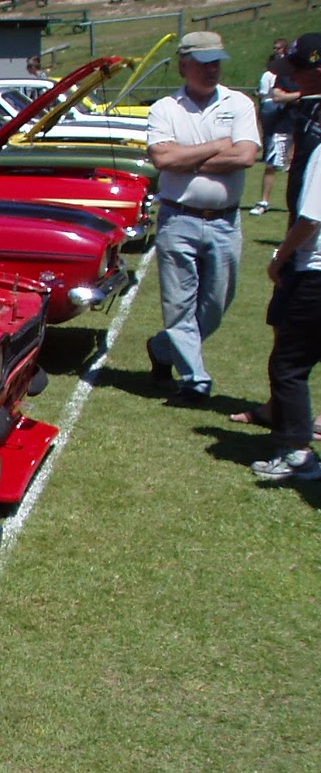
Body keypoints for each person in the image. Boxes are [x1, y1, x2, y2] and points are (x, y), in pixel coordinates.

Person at [143, 31, 260, 406]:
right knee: (179, 304)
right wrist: (218, 146)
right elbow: (163, 159)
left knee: (215, 306)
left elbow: (245, 156)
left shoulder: (238, 104)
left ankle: (162, 349)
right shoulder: (165, 108)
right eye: (204, 63)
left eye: (216, 63)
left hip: (225, 221)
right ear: (183, 65)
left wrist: (187, 158)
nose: (212, 69)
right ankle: (196, 381)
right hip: (179, 218)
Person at [250, 32, 321, 481]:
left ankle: (297, 452)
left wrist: (280, 256)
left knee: (289, 364)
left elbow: (310, 218)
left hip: (313, 268)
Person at [252, 39, 299, 216]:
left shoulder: (313, 74)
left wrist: (292, 96)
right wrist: (301, 95)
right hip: (285, 125)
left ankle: (300, 204)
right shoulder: (284, 75)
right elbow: (277, 96)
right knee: (272, 164)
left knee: (302, 168)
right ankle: (264, 201)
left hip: (306, 126)